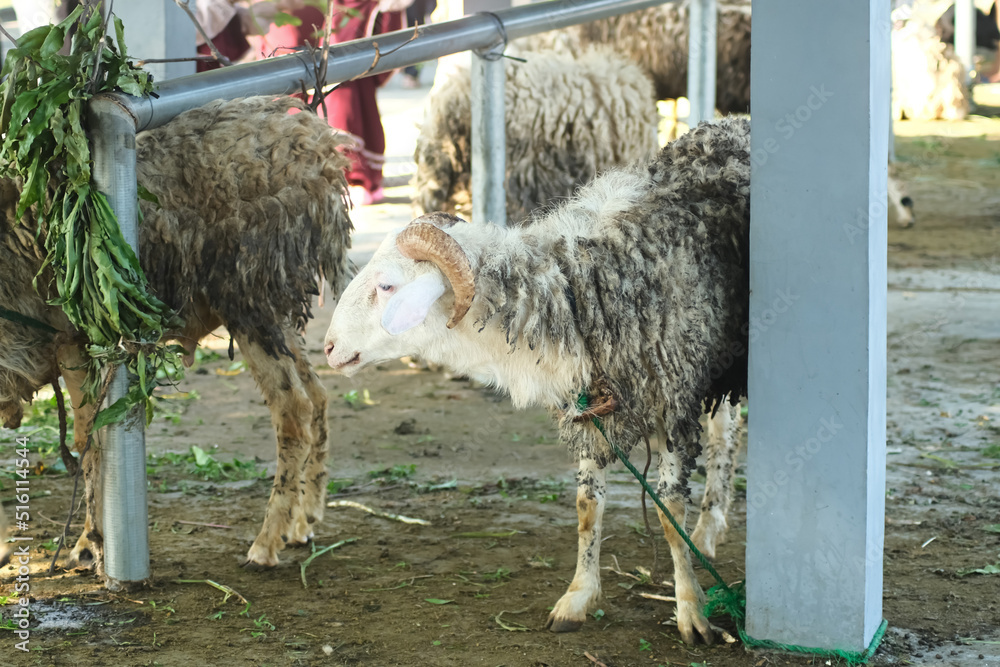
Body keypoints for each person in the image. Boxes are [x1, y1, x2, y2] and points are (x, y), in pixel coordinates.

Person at [259, 0, 402, 206]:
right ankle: (291, 168)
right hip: (292, 13)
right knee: (287, 76)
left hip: (336, 14)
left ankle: (351, 173)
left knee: (344, 71)